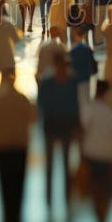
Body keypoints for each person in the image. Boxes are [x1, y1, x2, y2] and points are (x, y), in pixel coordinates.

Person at [0, 69, 38, 222]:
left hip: (3, 146)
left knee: (5, 183)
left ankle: (7, 213)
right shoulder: (24, 99)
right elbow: (33, 118)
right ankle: (17, 213)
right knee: (19, 183)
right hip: (20, 145)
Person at [37, 49, 80, 211]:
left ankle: (66, 195)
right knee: (50, 163)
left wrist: (77, 125)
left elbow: (76, 104)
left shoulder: (71, 80)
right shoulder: (48, 81)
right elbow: (41, 104)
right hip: (52, 124)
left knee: (66, 161)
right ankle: (49, 197)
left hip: (66, 124)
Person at [81, 80, 112, 222]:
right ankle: (103, 216)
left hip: (92, 154)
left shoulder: (89, 109)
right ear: (106, 93)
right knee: (105, 191)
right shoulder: (110, 112)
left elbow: (82, 130)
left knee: (95, 190)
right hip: (108, 156)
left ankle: (99, 214)